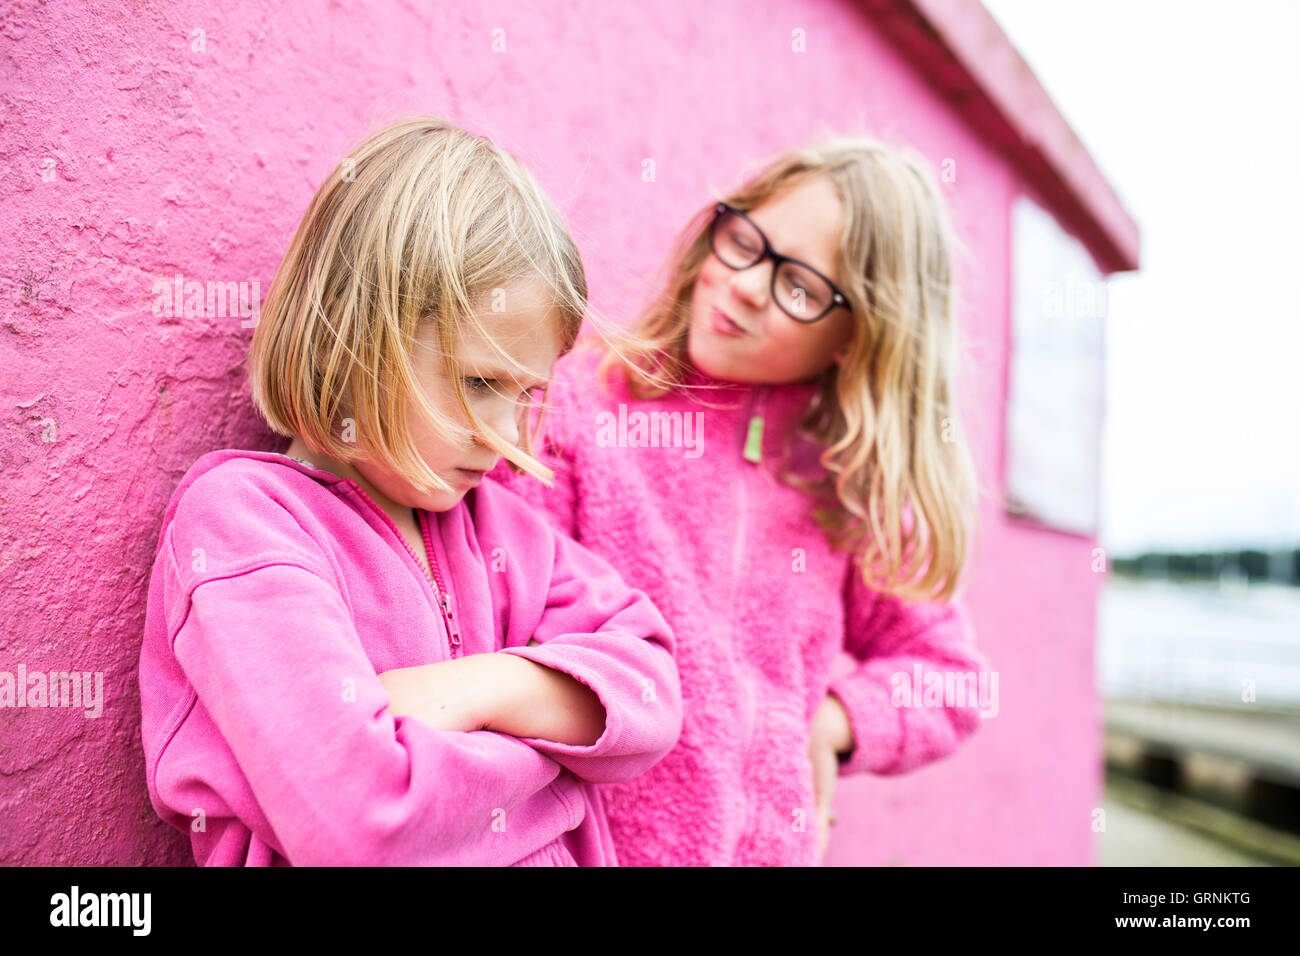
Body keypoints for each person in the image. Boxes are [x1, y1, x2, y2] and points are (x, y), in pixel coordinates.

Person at [138, 117, 682, 866]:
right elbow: (364, 822)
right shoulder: (247, 524)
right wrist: (564, 782)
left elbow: (651, 693)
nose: (510, 437)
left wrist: (483, 688)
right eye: (481, 383)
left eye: (529, 393)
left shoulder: (505, 533)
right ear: (352, 337)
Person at [490, 135, 993, 865]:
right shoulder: (584, 408)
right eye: (747, 241)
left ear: (859, 339)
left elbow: (950, 677)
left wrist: (833, 720)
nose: (750, 285)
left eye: (801, 288)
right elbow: (509, 621)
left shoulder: (849, 489)